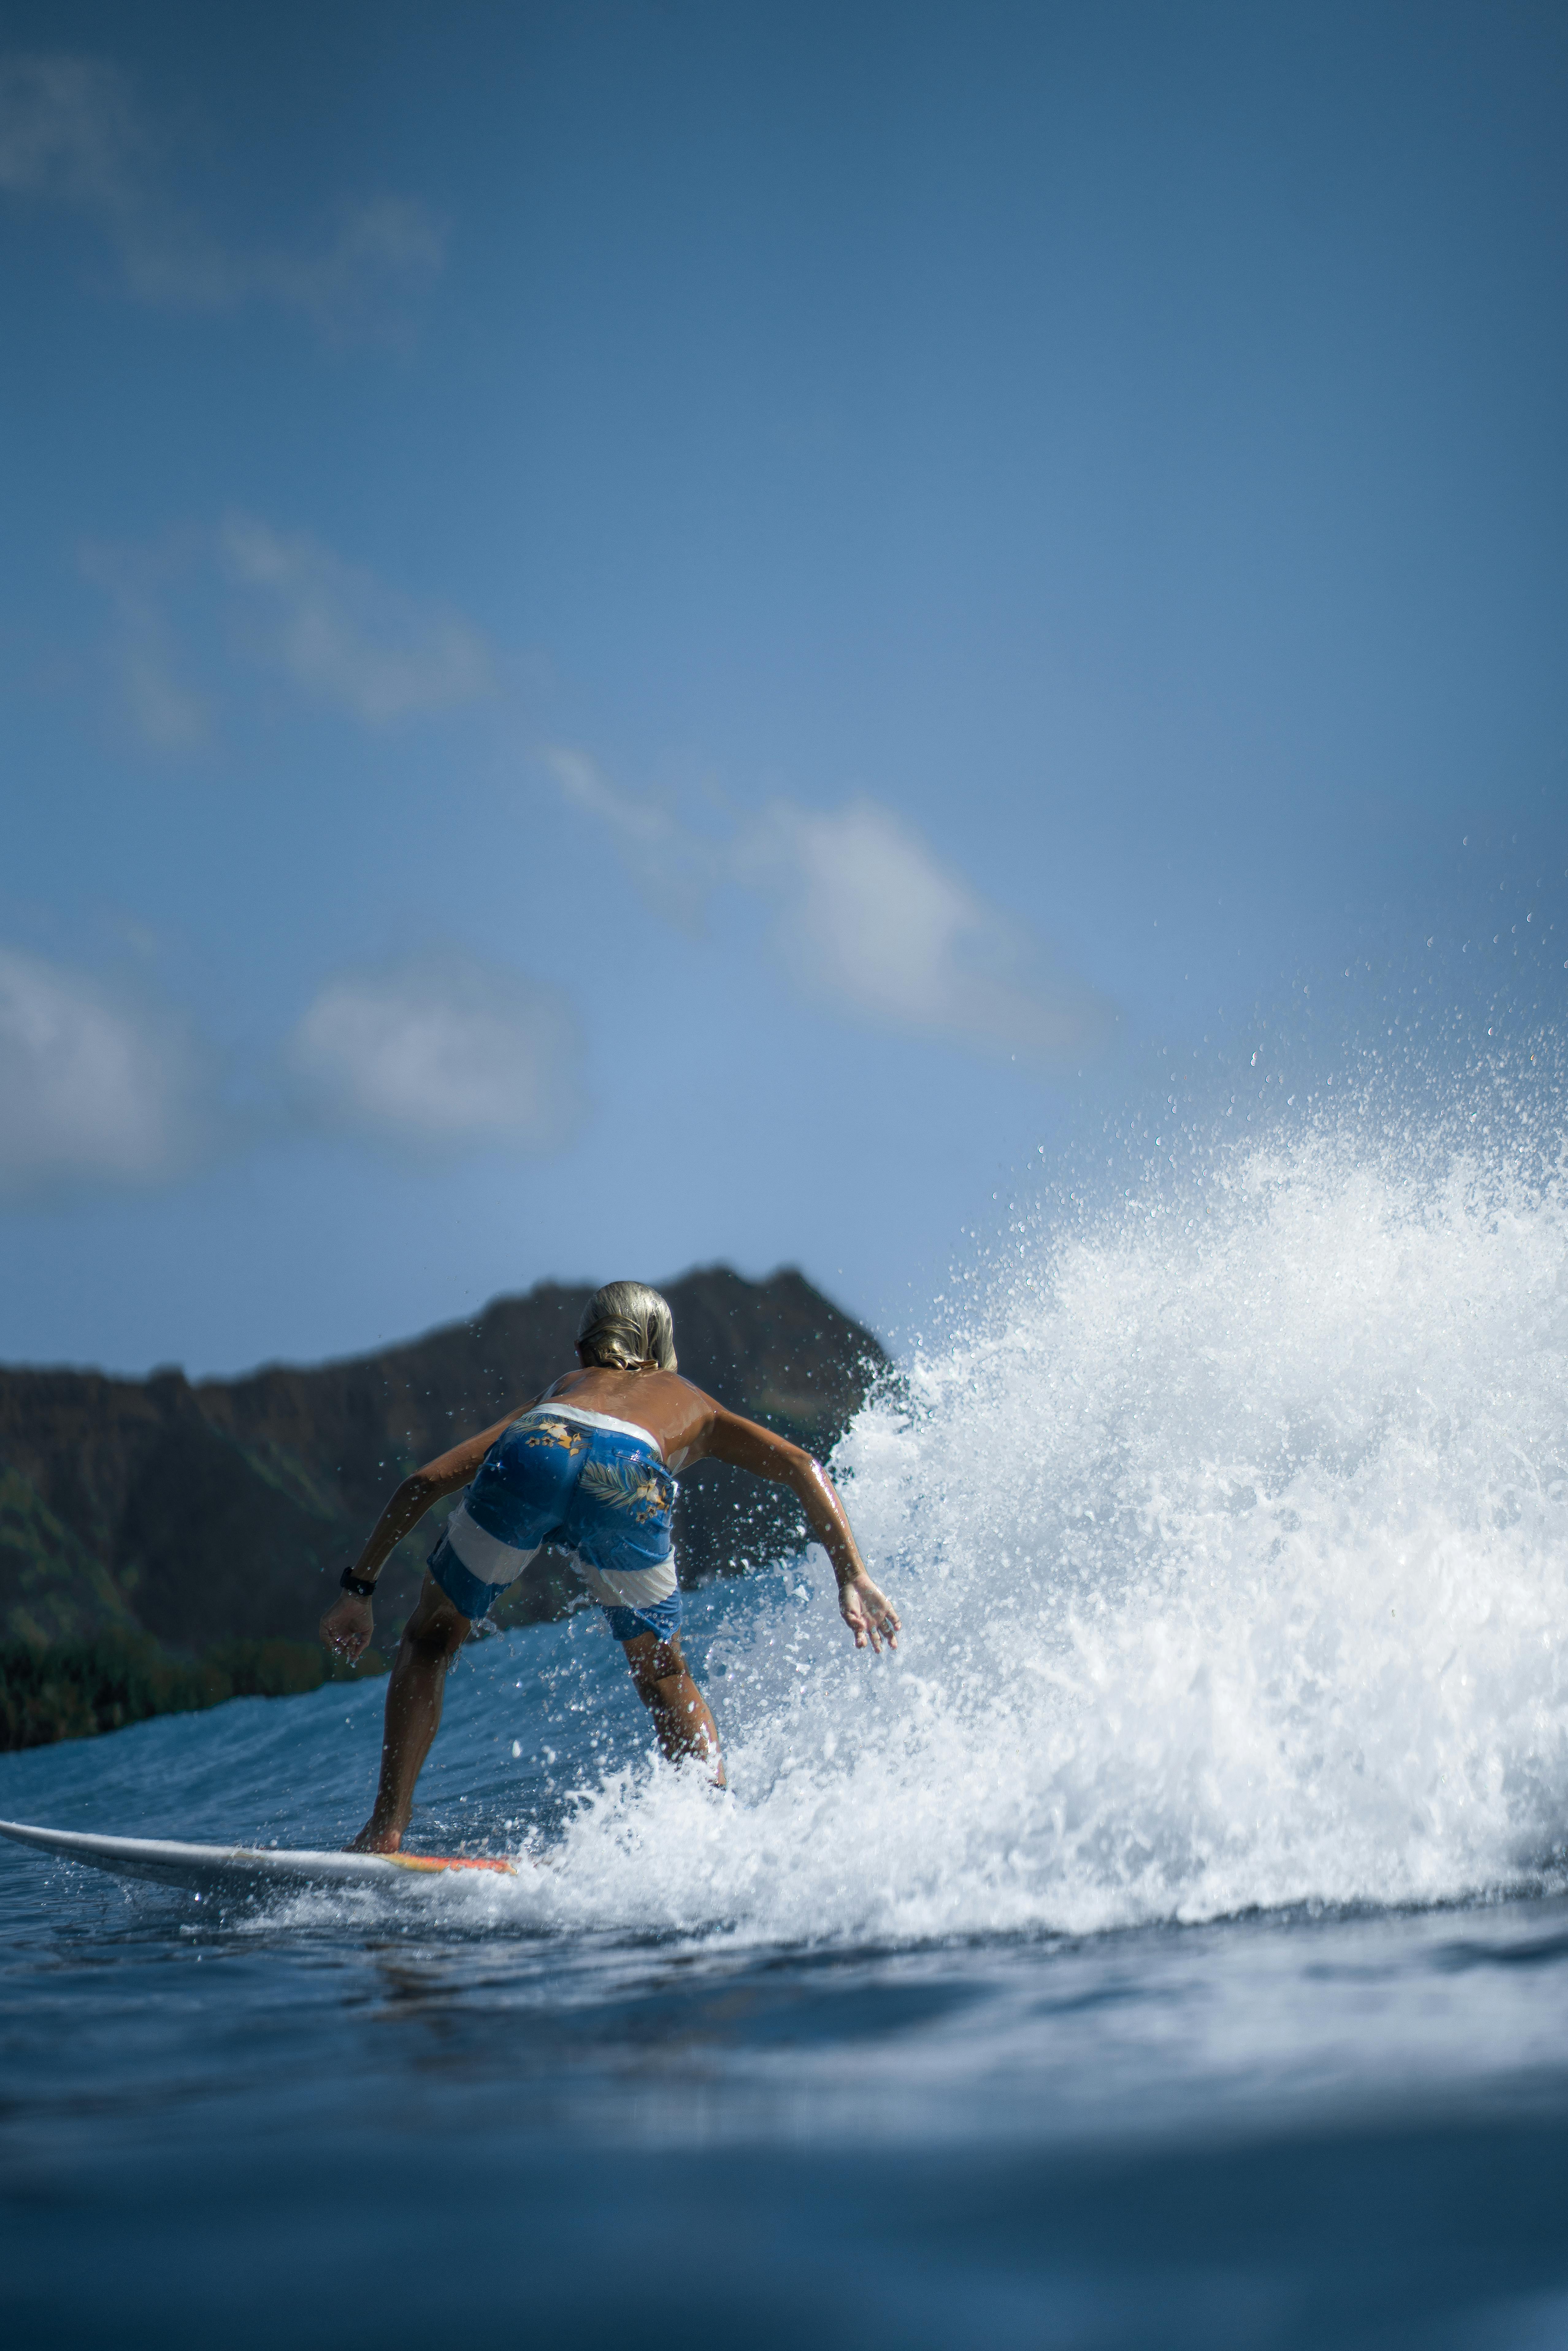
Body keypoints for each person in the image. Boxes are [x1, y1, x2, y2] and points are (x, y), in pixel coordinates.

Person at [319, 1279, 900, 1852]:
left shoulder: (563, 1390)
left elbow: (423, 1482)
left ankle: (386, 1828)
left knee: (431, 1638)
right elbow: (802, 1464)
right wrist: (852, 1573)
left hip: (540, 1445)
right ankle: (706, 1836)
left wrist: (359, 1588)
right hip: (631, 1465)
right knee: (664, 1675)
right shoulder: (693, 1403)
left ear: (585, 1347)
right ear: (663, 1347)